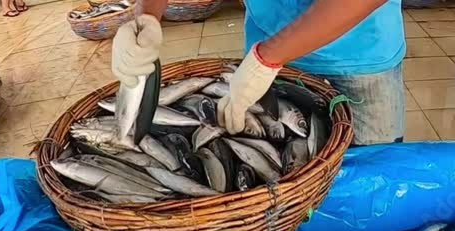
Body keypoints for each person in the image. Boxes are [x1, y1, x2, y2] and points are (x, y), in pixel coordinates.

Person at [111, 0, 406, 145]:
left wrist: (269, 57)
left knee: (372, 198)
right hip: (265, 52)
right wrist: (147, 15)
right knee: (277, 203)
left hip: (361, 61)